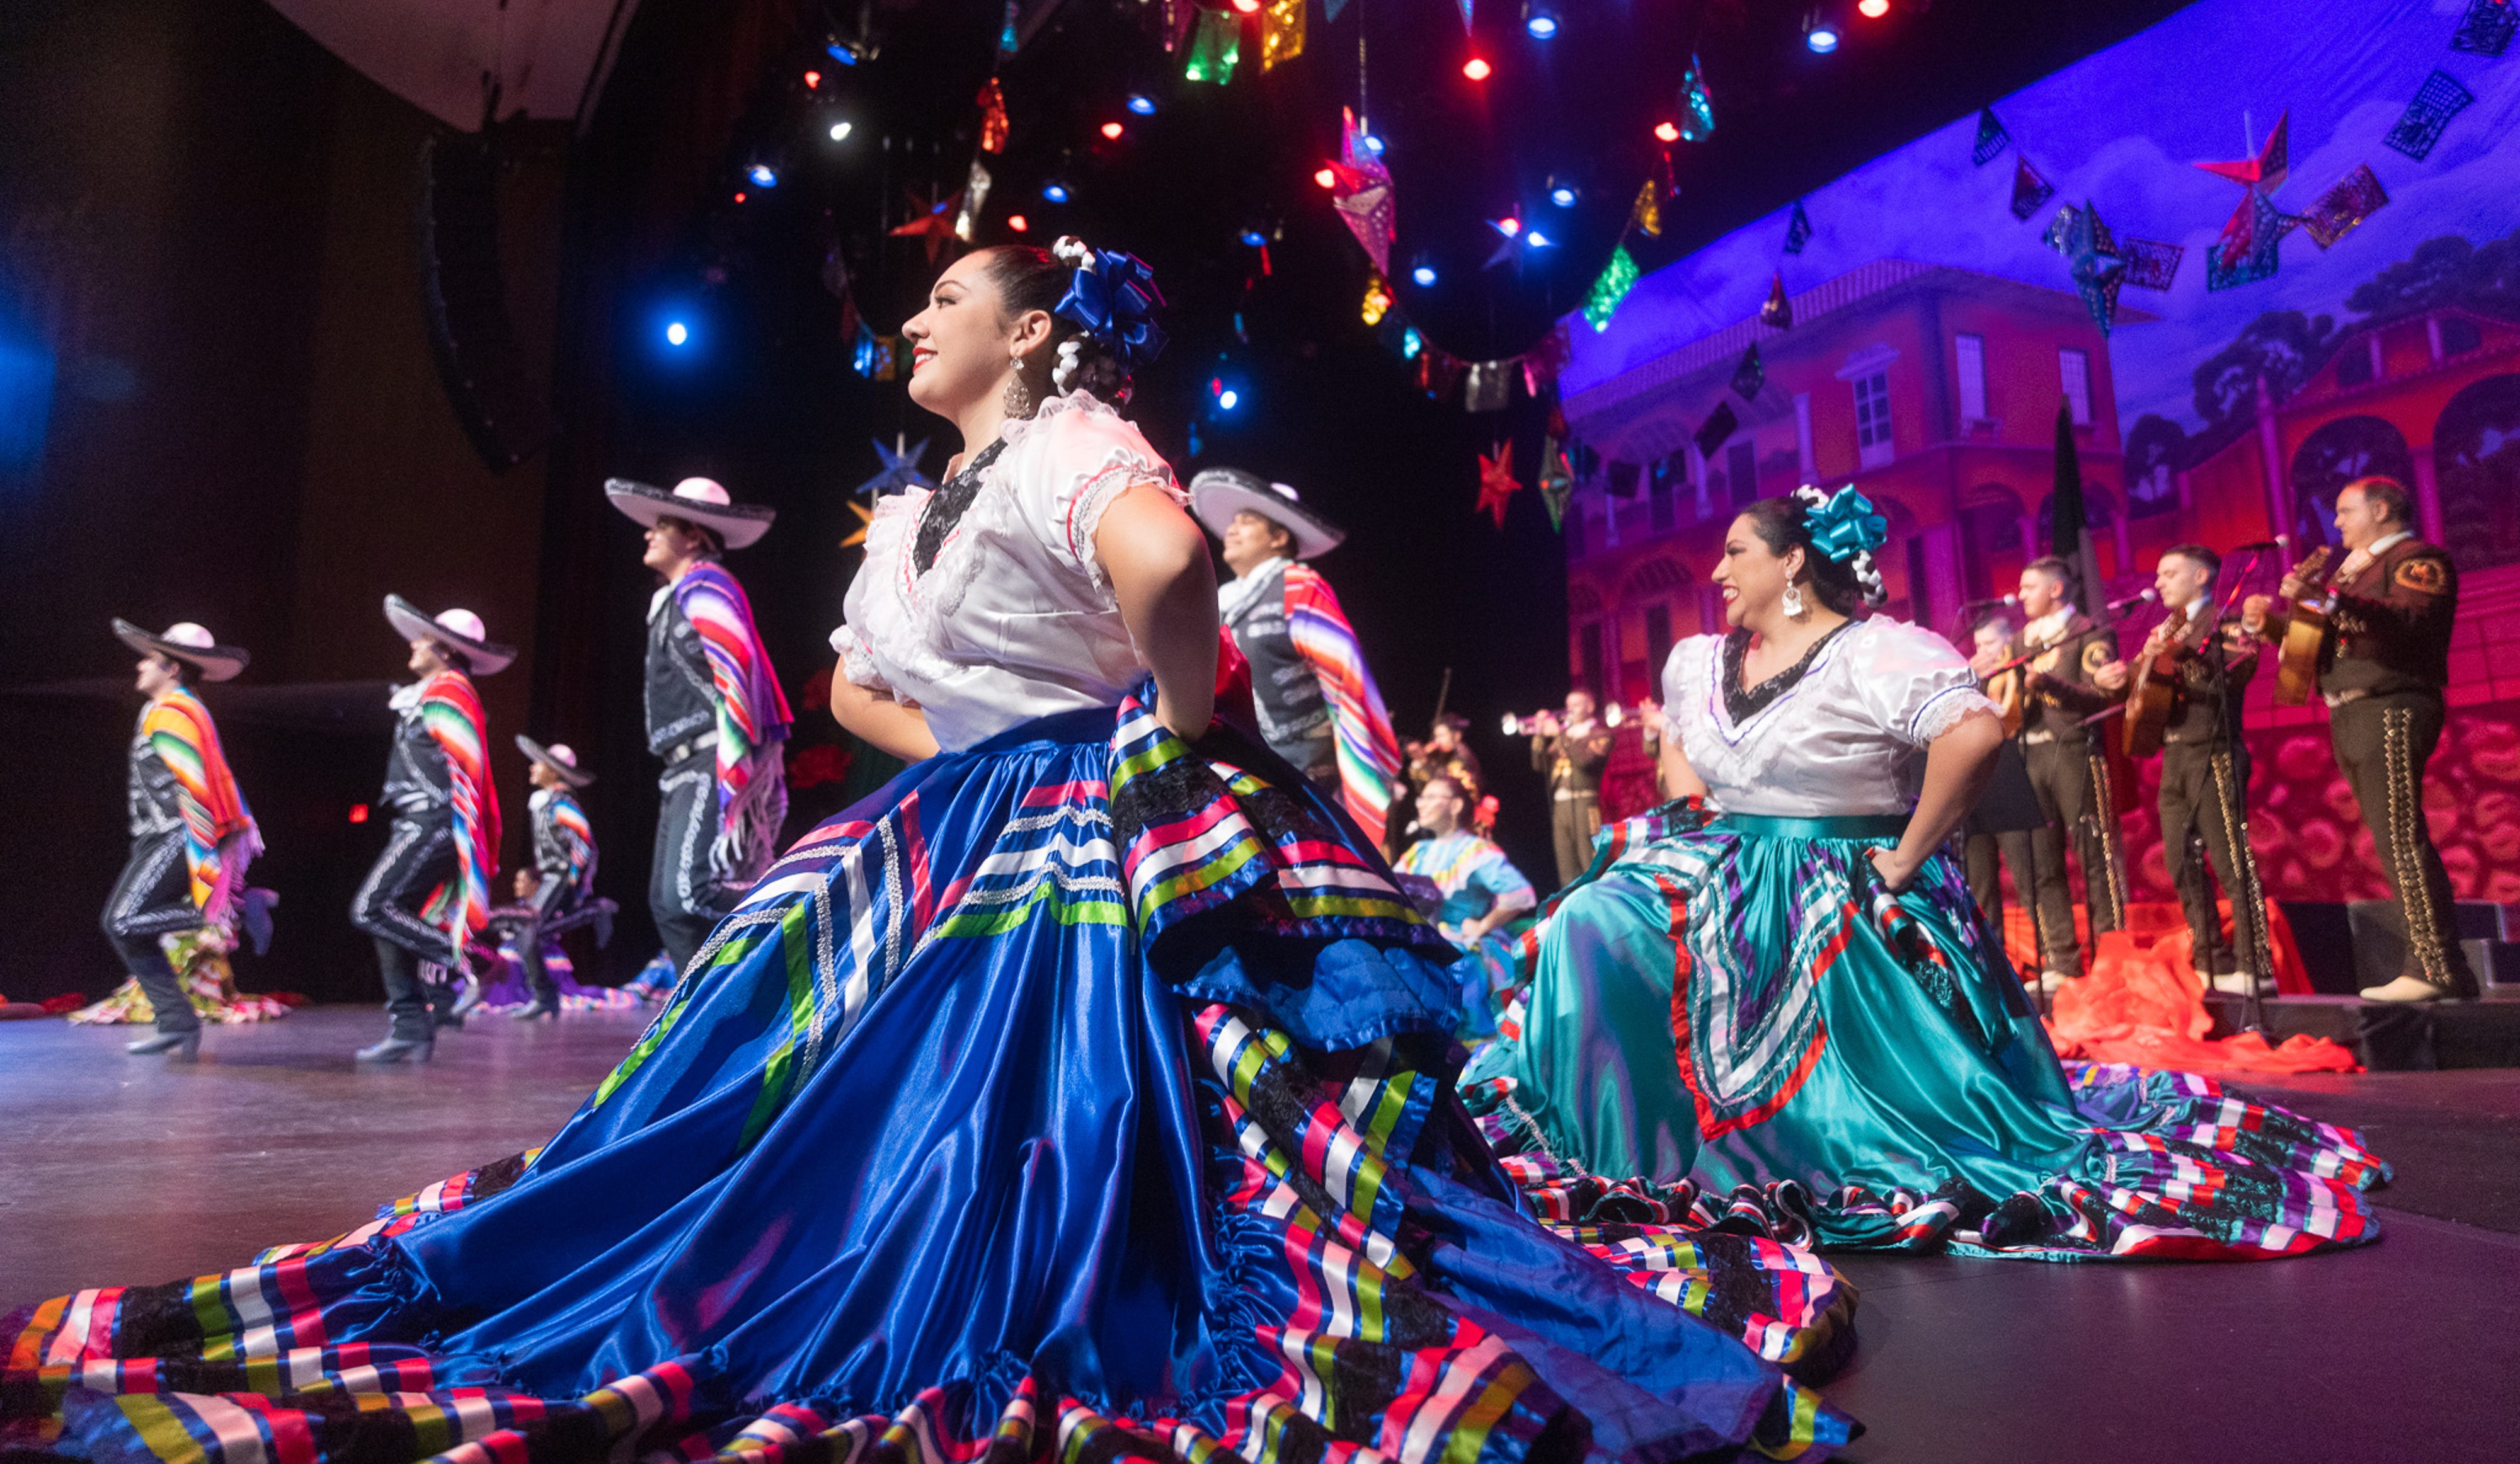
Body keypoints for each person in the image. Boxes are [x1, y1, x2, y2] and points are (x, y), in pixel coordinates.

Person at [9, 237, 1860, 1464]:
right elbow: (864, 685)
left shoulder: (1068, 444)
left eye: (947, 300)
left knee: (1041, 1107)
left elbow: (1167, 572)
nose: (914, 323)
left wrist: (1168, 736)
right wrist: (1027, 741)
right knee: (855, 1098)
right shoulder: (920, 507)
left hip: (1066, 810)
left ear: (1027, 334)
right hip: (997, 806)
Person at [1467, 486, 2384, 1259]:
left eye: (1736, 552)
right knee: (1588, 917)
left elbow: (1976, 730)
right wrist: (1693, 839)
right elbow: (1684, 760)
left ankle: (1794, 1140)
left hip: (1843, 875)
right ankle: (1621, 1141)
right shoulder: (1700, 661)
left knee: (1854, 1027)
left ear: (1792, 563)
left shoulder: (1877, 649)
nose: (1717, 573)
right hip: (1729, 866)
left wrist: (1905, 856)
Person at [2245, 476, 2471, 1002]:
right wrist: (2274, 628)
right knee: (2390, 835)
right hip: (2352, 707)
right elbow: (2323, 643)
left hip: (2391, 702)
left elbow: (2406, 623)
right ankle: (2435, 964)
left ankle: (2436, 967)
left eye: (2347, 512)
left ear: (2383, 509)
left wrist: (2324, 596)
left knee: (2399, 835)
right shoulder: (2356, 571)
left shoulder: (2417, 558)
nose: (2338, 523)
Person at [604, 474, 794, 975]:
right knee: (669, 903)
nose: (648, 534)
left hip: (713, 754)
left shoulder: (705, 582)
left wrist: (738, 763)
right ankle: (701, 1021)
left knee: (690, 892)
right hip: (684, 763)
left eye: (661, 526)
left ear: (692, 537)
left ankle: (793, 917)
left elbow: (736, 671)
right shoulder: (675, 597)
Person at [85, 620, 271, 1060]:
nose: (139, 665)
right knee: (127, 928)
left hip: (178, 833)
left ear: (171, 668)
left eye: (148, 659)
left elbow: (199, 786)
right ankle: (178, 1021)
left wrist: (205, 857)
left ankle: (235, 910)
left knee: (123, 922)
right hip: (157, 834)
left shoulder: (176, 711)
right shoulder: (170, 707)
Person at [1189, 467, 1404, 847]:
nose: (1233, 530)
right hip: (1241, 779)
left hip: (1307, 787)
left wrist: (1359, 780)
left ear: (1279, 537)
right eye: (1232, 523)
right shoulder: (1218, 603)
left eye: (1248, 522)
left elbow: (1345, 681)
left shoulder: (1299, 587)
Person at [2097, 546, 2270, 994]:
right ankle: (2211, 959)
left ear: (2200, 577)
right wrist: (2122, 677)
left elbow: (2228, 675)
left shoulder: (2221, 621)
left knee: (2232, 859)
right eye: (2159, 574)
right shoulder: (2166, 628)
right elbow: (2148, 686)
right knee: (2180, 860)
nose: (2159, 583)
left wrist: (2174, 653)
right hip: (2174, 755)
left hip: (2212, 749)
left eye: (2169, 573)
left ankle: (2257, 964)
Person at [346, 597, 510, 1062]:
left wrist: (459, 828)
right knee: (390, 920)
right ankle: (411, 1028)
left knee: (372, 908)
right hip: (417, 821)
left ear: (445, 649)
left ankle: (477, 959)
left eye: (422, 640)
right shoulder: (432, 692)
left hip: (435, 820)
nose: (413, 646)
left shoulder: (450, 691)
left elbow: (467, 766)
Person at [2013, 556, 2121, 978]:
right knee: (2040, 861)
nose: (2020, 595)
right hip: (2030, 753)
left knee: (2093, 852)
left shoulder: (2088, 634)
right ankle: (2060, 957)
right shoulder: (2021, 641)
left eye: (2029, 587)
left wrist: (2049, 683)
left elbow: (2100, 697)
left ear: (2056, 589)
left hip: (2074, 750)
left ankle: (2113, 954)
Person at [1394, 769, 1538, 1042]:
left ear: (1456, 805)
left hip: (1462, 945)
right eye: (1420, 798)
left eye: (1430, 797)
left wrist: (1484, 924)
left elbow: (1520, 894)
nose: (1420, 804)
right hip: (1421, 942)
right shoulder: (1417, 853)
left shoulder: (1475, 851)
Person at [484, 735, 610, 1020]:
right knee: (527, 932)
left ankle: (545, 995)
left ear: (552, 772)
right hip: (551, 877)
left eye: (537, 765)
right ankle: (545, 996)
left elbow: (585, 844)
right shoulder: (544, 803)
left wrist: (577, 881)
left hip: (560, 878)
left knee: (527, 929)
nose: (531, 770)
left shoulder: (562, 804)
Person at [1959, 614, 2048, 987]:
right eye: (1978, 646)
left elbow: (2018, 716)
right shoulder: (1978, 681)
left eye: (1990, 645)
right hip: (1982, 783)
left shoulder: (2021, 671)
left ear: (2009, 642)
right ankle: (1990, 958)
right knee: (1980, 881)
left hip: (2017, 778)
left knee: (2030, 873)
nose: (1983, 654)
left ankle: (2051, 956)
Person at [1527, 689, 1613, 889]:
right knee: (1566, 865)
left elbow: (1585, 762)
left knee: (1590, 860)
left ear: (1590, 707)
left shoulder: (1600, 734)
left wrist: (1559, 735)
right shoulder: (1564, 735)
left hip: (1586, 804)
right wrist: (1539, 735)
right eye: (1568, 706)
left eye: (1576, 705)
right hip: (1561, 805)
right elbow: (1539, 764)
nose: (1569, 710)